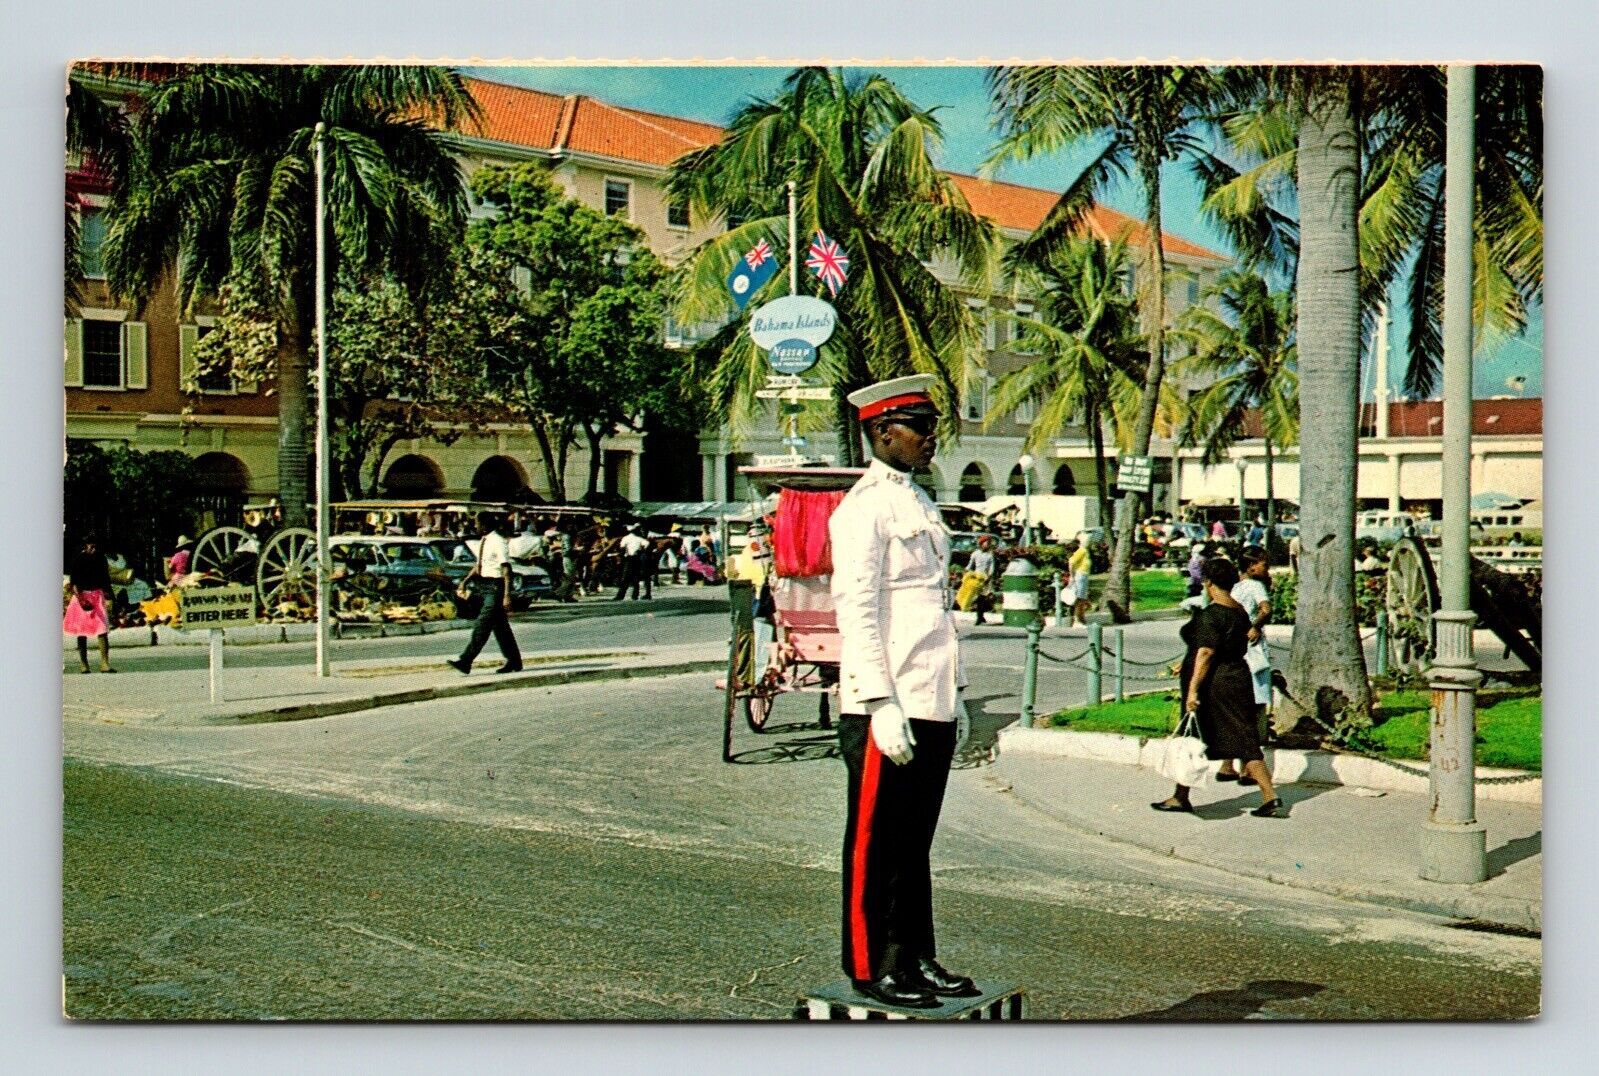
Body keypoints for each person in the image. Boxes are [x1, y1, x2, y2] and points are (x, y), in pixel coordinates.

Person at [830, 374, 978, 1010]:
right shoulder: (863, 508)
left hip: (930, 695)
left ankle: (914, 954)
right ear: (881, 432)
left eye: (931, 428)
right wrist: (878, 702)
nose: (929, 439)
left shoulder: (919, 502)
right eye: (918, 429)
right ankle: (873, 964)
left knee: (915, 840)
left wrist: (957, 695)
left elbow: (935, 611)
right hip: (886, 704)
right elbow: (856, 610)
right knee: (877, 841)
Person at [1152, 557, 1284, 818]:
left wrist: (1192, 691)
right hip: (1236, 677)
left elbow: (1206, 653)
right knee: (1242, 735)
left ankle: (1181, 796)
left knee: (1193, 736)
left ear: (1208, 582)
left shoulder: (1212, 615)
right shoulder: (1239, 612)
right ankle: (1270, 795)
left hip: (1214, 683)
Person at [1218, 545, 1274, 784]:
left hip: (1232, 653)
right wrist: (1256, 626)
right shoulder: (1256, 586)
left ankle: (1227, 763)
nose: (1266, 567)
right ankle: (1247, 768)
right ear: (1252, 565)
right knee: (1254, 708)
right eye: (1263, 563)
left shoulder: (1234, 587)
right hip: (1253, 654)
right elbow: (1266, 609)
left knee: (1235, 708)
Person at [448, 514, 523, 675]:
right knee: (501, 627)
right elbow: (480, 565)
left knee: (482, 624)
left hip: (496, 587)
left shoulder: (498, 542)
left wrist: (507, 595)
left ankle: (466, 660)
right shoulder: (484, 540)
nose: (475, 527)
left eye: (477, 524)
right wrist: (465, 581)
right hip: (485, 585)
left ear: (485, 525)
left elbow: (506, 569)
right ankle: (514, 661)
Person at [64, 535, 115, 673]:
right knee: (81, 632)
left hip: (97, 595)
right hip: (81, 596)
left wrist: (109, 596)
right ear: (85, 546)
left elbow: (106, 579)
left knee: (102, 629)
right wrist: (81, 599)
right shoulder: (78, 559)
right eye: (91, 546)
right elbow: (73, 582)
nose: (94, 549)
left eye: (95, 546)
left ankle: (105, 664)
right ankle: (84, 664)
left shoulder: (101, 558)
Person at [959, 536, 997, 625]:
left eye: (988, 543)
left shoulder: (990, 555)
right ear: (981, 544)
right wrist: (965, 572)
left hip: (986, 579)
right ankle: (979, 616)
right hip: (976, 579)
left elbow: (992, 568)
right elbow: (970, 565)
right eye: (986, 543)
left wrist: (989, 577)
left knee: (983, 598)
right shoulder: (975, 554)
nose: (987, 545)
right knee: (976, 598)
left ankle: (980, 616)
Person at [614, 524, 652, 601]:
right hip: (637, 559)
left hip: (628, 558)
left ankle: (620, 595)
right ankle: (635, 595)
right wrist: (641, 550)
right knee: (636, 577)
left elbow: (622, 547)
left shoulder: (626, 538)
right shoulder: (639, 538)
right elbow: (647, 544)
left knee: (625, 577)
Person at [1068, 537, 1092, 626]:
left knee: (1082, 598)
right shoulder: (1082, 551)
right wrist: (1072, 576)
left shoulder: (1083, 551)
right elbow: (1071, 562)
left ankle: (1081, 618)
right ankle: (1077, 620)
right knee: (1079, 599)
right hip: (1080, 576)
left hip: (1083, 575)